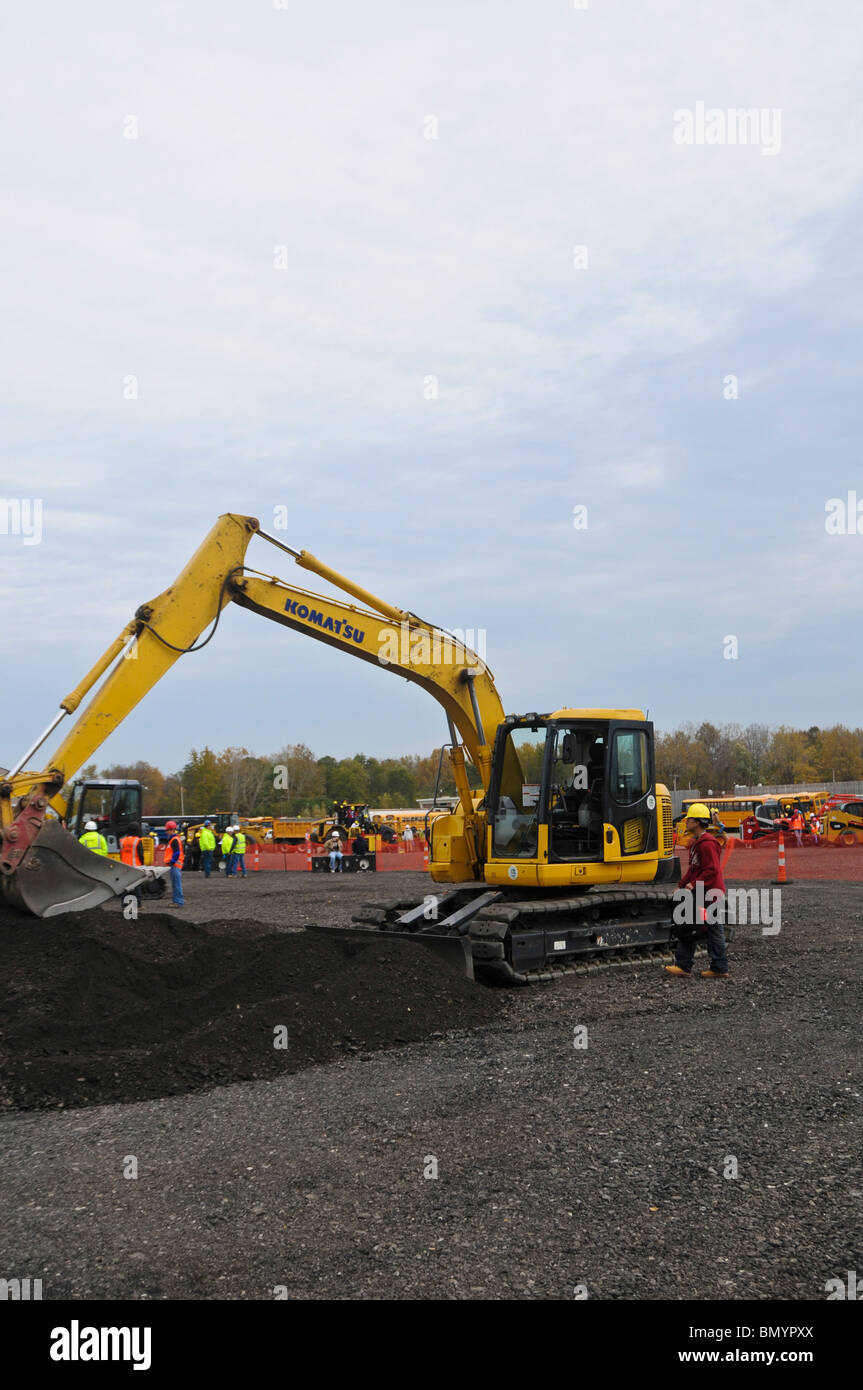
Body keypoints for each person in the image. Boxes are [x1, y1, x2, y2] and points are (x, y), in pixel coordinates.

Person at [665, 802, 729, 980]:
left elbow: (712, 870)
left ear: (698, 822)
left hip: (710, 893)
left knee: (713, 930)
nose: (686, 822)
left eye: (690, 819)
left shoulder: (706, 844)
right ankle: (684, 965)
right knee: (688, 926)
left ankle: (718, 967)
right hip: (703, 891)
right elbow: (694, 869)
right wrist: (682, 883)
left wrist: (693, 884)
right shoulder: (698, 843)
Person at [120, 822, 146, 909]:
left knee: (125, 886)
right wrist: (143, 864)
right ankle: (138, 905)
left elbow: (121, 854)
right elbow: (141, 854)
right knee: (137, 886)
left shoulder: (122, 841)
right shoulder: (137, 841)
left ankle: (124, 904)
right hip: (135, 867)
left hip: (124, 867)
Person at [163, 819, 185, 907]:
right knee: (176, 883)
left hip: (175, 865)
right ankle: (177, 901)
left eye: (168, 830)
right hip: (176, 865)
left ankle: (178, 902)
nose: (167, 832)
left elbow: (177, 853)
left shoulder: (174, 840)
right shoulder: (175, 839)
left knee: (176, 884)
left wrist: (172, 861)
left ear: (172, 830)